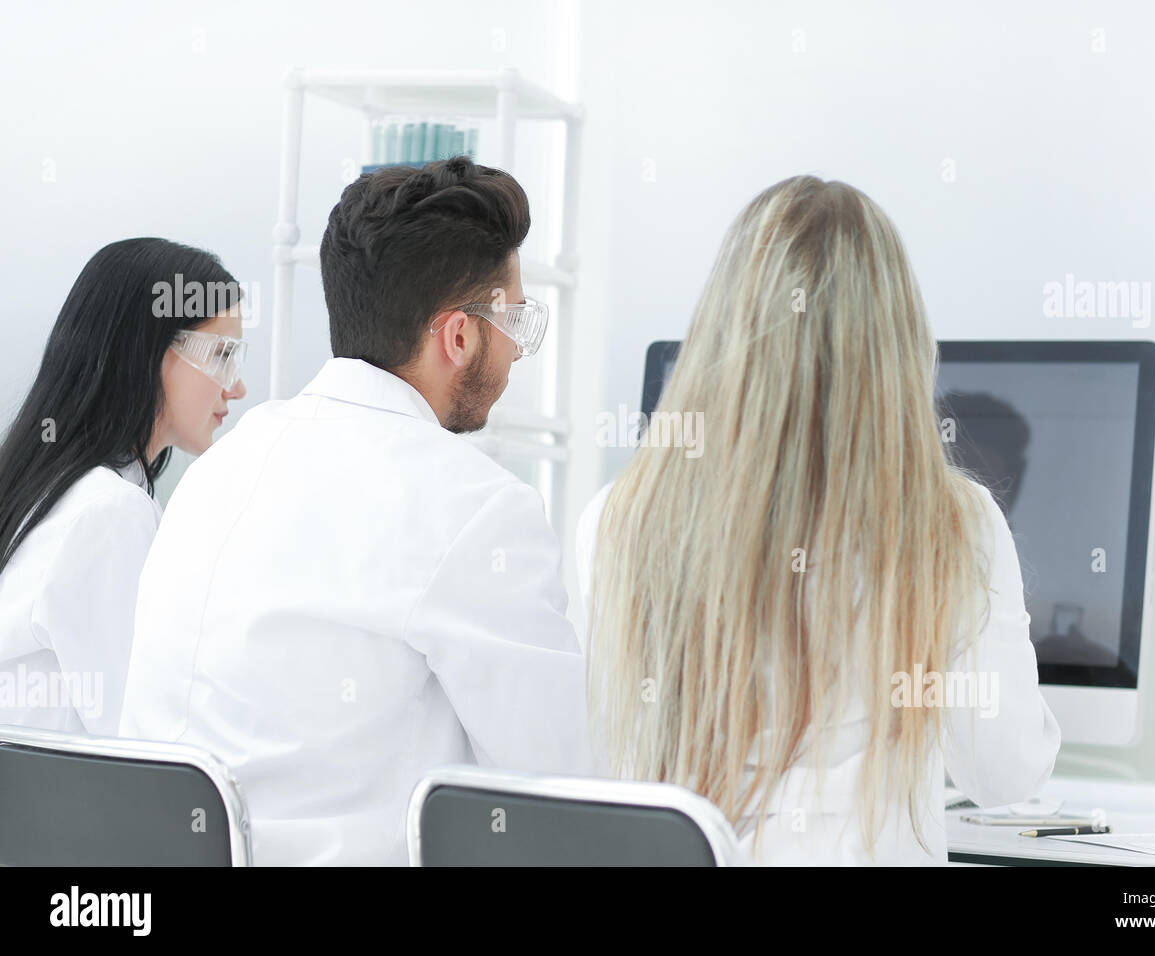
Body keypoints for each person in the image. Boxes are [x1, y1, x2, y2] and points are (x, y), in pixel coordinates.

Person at [120, 158, 594, 866]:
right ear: (458, 338)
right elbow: (567, 800)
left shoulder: (220, 467)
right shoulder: (476, 506)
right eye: (516, 320)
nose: (519, 351)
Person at [576, 175, 1060, 865]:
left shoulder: (619, 520)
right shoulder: (954, 526)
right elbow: (1005, 773)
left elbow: (607, 763)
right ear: (898, 343)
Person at [0, 238, 247, 735]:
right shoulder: (109, 513)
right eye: (222, 354)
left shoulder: (55, 489)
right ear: (153, 351)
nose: (236, 386)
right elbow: (138, 734)